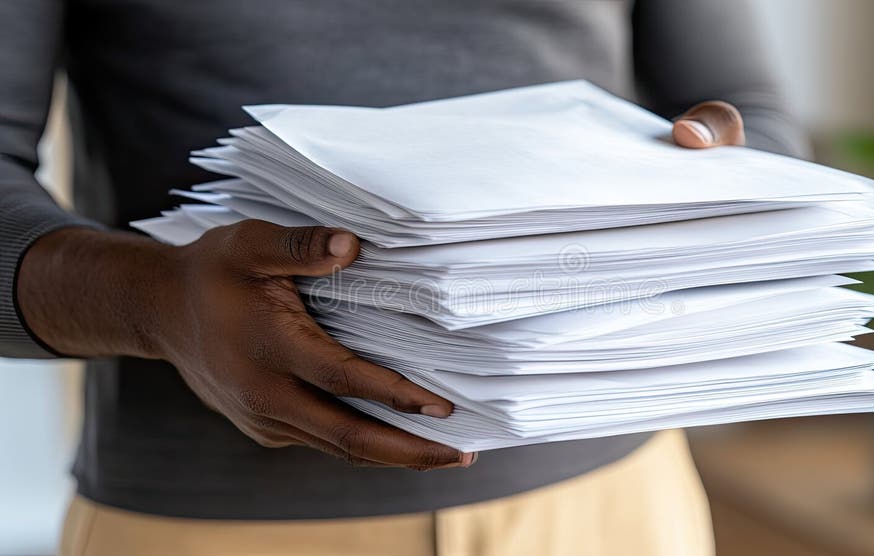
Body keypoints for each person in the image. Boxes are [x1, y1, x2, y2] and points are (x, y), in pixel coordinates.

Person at [0, 1, 809, 554]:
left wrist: (719, 178)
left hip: (614, 507)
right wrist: (156, 303)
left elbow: (743, 109)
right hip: (222, 527)